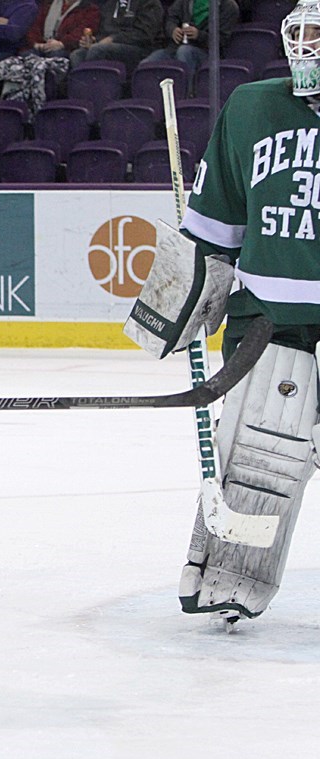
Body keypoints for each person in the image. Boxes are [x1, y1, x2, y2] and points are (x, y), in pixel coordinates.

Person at [124, 1, 320, 629]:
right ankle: (231, 574)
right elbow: (216, 226)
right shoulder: (253, 107)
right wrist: (183, 296)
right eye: (301, 35)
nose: (308, 48)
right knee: (263, 454)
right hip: (269, 316)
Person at [142, 0, 240, 89]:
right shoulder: (184, 2)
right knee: (147, 64)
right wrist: (173, 30)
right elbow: (170, 18)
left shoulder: (228, 6)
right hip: (174, 49)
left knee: (185, 52)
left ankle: (187, 93)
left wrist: (199, 35)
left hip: (206, 54)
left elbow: (222, 40)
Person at [70, 0, 163, 73]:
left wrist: (113, 39)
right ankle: (85, 92)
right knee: (77, 55)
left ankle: (97, 90)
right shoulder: (111, 4)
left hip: (141, 48)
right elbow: (104, 31)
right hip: (109, 46)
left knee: (97, 50)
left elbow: (145, 35)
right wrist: (94, 40)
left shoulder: (150, 3)